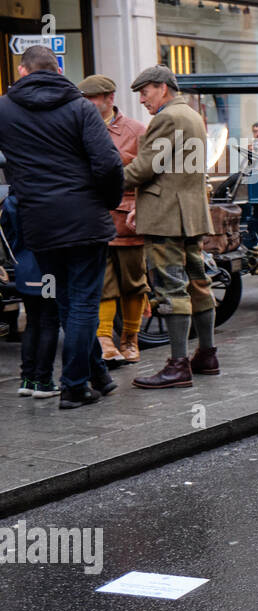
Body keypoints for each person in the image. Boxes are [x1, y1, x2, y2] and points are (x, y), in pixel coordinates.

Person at [0, 45, 123, 408]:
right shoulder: (81, 107)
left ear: (22, 72)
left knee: (66, 300)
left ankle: (97, 375)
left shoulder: (4, 109)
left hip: (39, 222)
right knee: (82, 302)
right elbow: (108, 165)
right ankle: (74, 386)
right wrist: (108, 202)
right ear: (57, 70)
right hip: (85, 218)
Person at [124, 65, 217, 389]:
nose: (142, 100)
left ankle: (178, 366)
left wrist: (109, 181)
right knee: (198, 283)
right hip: (189, 213)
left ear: (162, 88)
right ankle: (206, 354)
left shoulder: (167, 118)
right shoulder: (190, 114)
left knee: (169, 288)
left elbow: (145, 167)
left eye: (145, 92)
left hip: (167, 216)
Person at [79, 74, 148, 365]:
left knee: (133, 282)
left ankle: (130, 340)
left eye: (91, 99)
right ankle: (104, 339)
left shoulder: (137, 130)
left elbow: (150, 176)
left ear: (109, 98)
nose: (86, 104)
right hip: (92, 218)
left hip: (127, 219)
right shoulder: (78, 129)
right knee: (102, 281)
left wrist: (141, 208)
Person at [2, 194, 60, 399]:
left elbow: (7, 235)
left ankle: (27, 379)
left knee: (32, 322)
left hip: (24, 268)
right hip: (46, 268)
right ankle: (44, 380)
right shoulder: (46, 196)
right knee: (49, 321)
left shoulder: (12, 200)